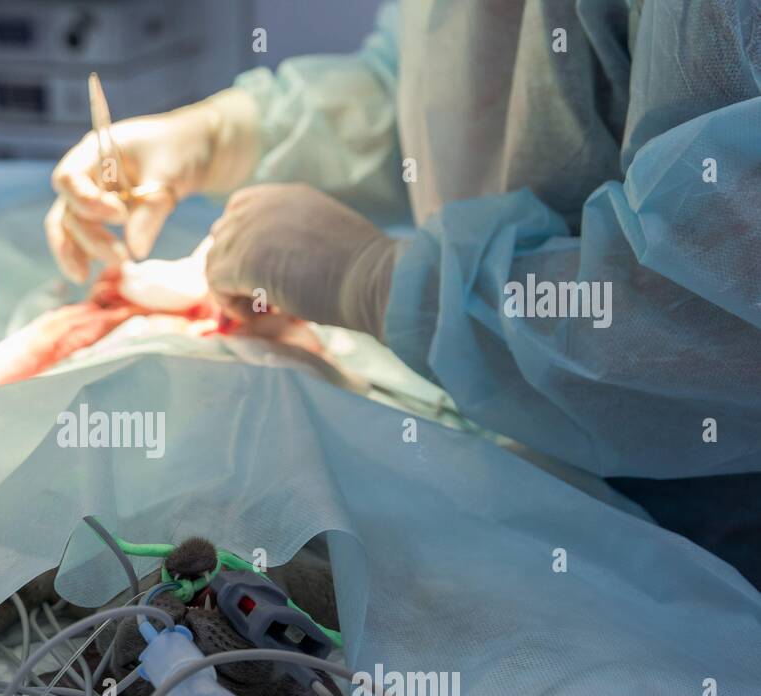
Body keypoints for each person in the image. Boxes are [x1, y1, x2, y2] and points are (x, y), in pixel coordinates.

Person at [47, 0, 761, 587]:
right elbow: (443, 86)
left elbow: (704, 311)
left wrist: (376, 281)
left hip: (704, 517)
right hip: (525, 448)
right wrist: (224, 134)